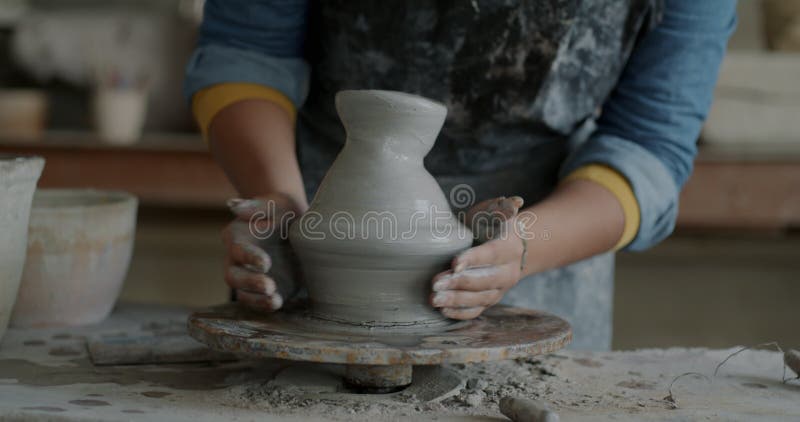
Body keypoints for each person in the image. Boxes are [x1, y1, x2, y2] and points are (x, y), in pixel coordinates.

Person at [184, 0, 737, 350]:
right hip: (319, 221)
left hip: (544, 234)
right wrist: (281, 207)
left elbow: (650, 141)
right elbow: (246, 50)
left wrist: (524, 245)